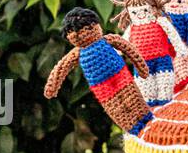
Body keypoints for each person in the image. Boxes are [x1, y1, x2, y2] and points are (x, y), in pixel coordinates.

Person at [44, 7, 153, 135]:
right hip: (101, 86)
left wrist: (141, 67)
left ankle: (146, 118)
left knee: (132, 97)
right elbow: (61, 68)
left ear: (96, 26)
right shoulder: (77, 53)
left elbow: (129, 49)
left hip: (120, 75)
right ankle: (134, 128)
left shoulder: (108, 40)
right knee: (116, 107)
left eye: (87, 28)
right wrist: (52, 86)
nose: (80, 33)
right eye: (73, 31)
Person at [112, 0, 186, 107]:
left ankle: (165, 104)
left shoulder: (161, 21)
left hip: (162, 58)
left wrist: (180, 49)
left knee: (165, 81)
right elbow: (124, 42)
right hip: (141, 62)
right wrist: (117, 52)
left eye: (145, 10)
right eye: (135, 12)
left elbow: (173, 35)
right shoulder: (132, 27)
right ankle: (150, 107)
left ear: (154, 7)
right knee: (145, 86)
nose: (140, 14)